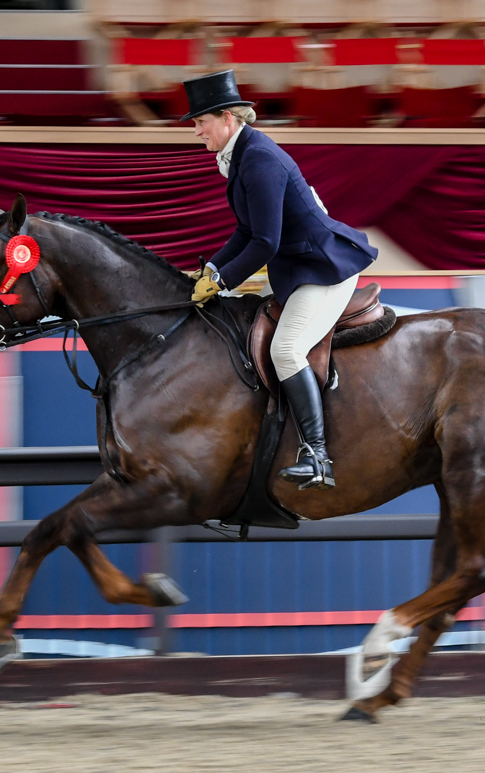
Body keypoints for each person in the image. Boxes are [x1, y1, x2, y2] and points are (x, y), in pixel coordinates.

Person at [183, 70, 378, 491]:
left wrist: (221, 281)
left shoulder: (258, 160)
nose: (196, 131)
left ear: (227, 118)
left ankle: (317, 455)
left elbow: (265, 242)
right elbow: (245, 231)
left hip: (323, 266)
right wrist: (212, 271)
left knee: (286, 349)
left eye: (201, 122)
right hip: (295, 264)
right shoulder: (241, 155)